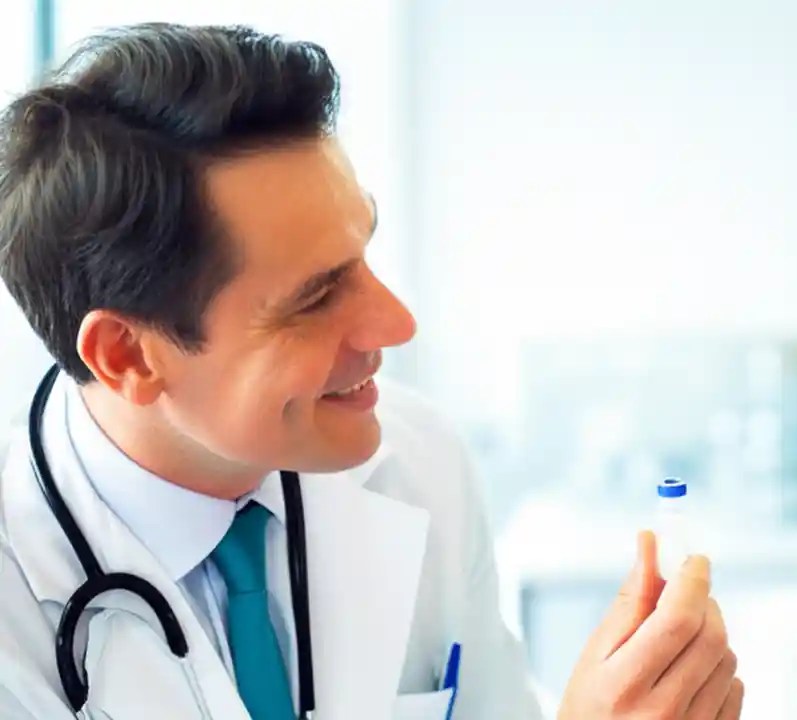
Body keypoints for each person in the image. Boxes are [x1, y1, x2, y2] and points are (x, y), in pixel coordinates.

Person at [0, 23, 744, 720]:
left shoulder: (419, 462)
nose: (396, 323)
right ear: (128, 355)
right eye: (315, 297)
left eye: (362, 254)